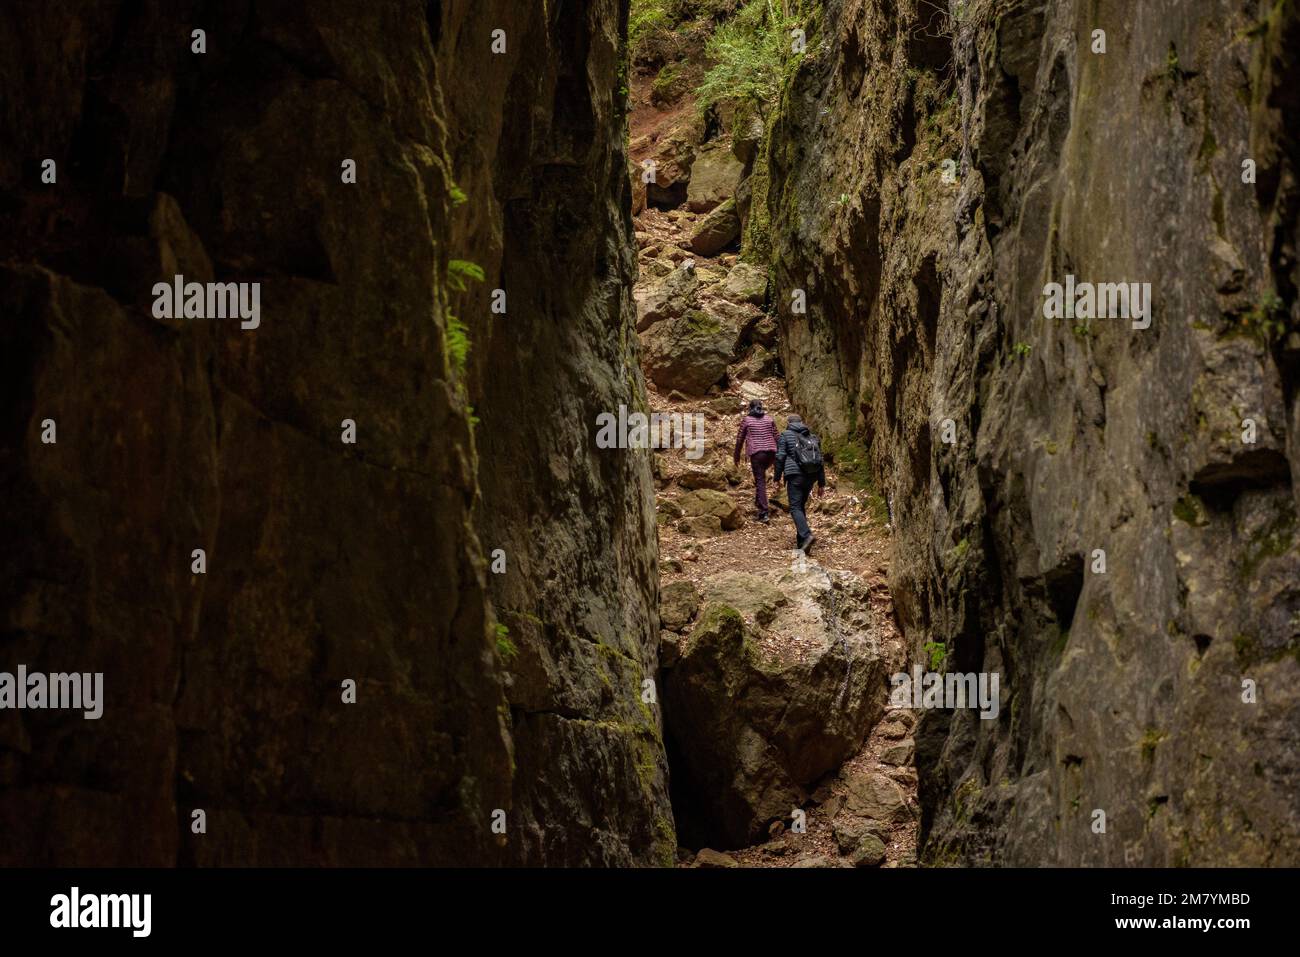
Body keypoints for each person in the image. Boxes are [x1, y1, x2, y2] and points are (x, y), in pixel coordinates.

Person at [774, 413, 825, 553]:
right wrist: (821, 483)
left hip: (795, 475)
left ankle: (807, 535)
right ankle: (802, 544)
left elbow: (780, 457)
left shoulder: (785, 435)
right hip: (810, 477)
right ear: (802, 422)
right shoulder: (812, 436)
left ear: (788, 422)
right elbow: (820, 461)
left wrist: (776, 478)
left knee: (795, 507)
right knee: (800, 507)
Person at [733, 399, 779, 522]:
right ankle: (759, 502)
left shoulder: (747, 420)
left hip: (757, 453)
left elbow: (739, 439)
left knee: (760, 480)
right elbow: (777, 437)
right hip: (771, 453)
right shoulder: (769, 419)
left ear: (750, 408)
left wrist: (736, 456)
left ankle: (764, 512)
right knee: (761, 477)